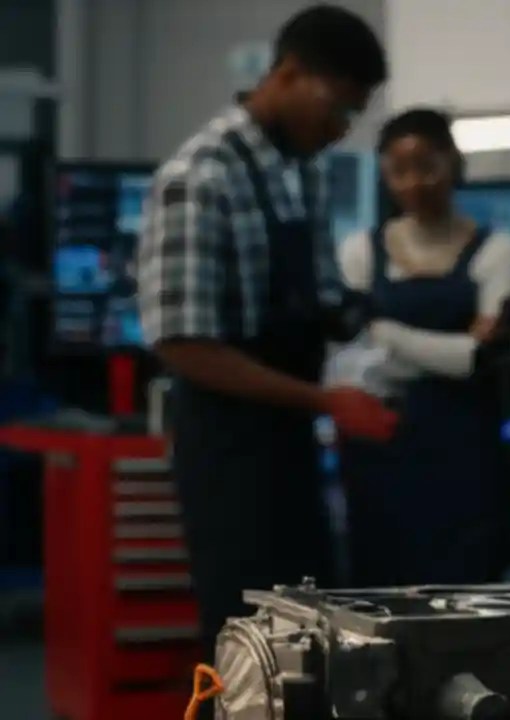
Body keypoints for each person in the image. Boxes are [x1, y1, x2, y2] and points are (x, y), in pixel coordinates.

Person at [137, 4, 398, 670]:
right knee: (243, 643)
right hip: (228, 450)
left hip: (290, 444)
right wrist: (326, 403)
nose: (341, 131)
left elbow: (319, 300)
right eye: (338, 109)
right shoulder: (198, 179)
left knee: (310, 636)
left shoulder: (301, 171)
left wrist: (396, 322)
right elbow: (184, 344)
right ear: (288, 74)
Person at [329, 109, 510, 586]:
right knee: (378, 592)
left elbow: (478, 358)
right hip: (381, 450)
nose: (415, 182)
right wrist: (450, 349)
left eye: (428, 166)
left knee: (467, 589)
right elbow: (349, 363)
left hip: (464, 452)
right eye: (400, 171)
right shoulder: (360, 250)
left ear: (453, 163)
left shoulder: (499, 250)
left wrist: (384, 331)